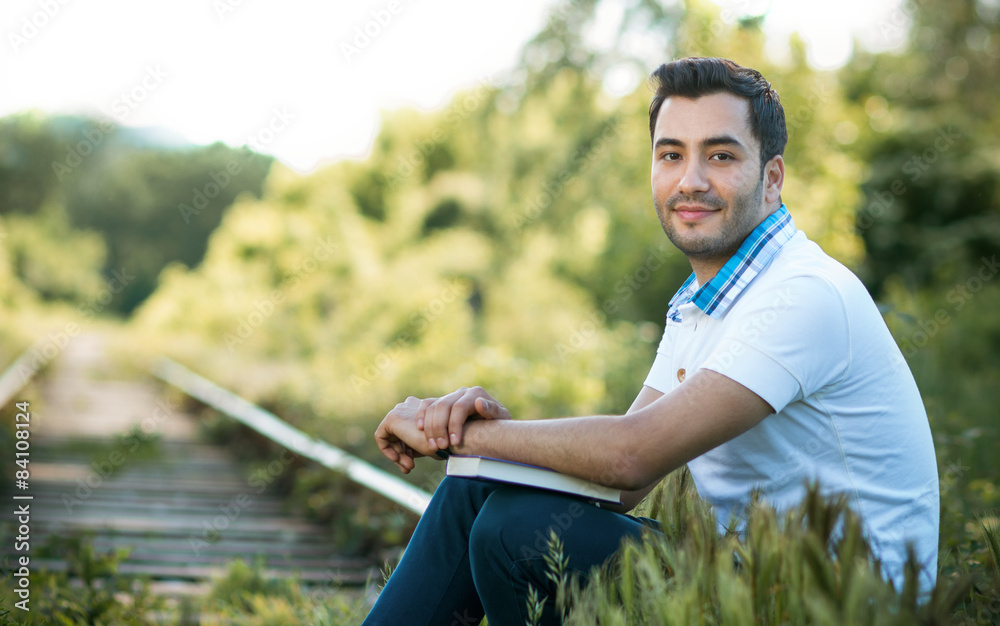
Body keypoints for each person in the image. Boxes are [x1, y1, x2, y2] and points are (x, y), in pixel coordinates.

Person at [364, 57, 939, 626]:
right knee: (478, 491)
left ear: (771, 180)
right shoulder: (701, 301)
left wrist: (460, 433)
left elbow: (630, 453)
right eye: (671, 155)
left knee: (514, 529)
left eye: (719, 155)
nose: (690, 180)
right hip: (746, 579)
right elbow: (625, 486)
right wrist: (492, 442)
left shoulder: (803, 293)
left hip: (833, 603)